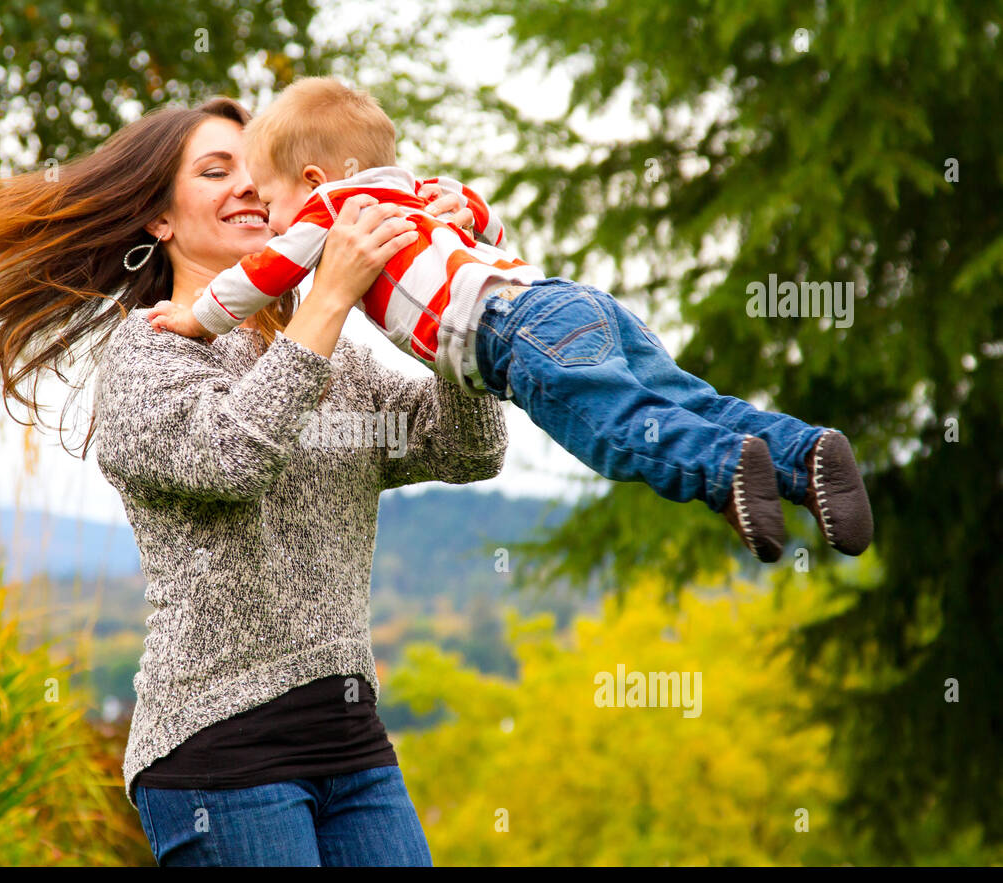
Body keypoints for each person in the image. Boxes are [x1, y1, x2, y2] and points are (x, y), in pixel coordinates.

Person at [0, 95, 506, 866]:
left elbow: (469, 451)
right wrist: (326, 301)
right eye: (216, 171)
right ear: (160, 218)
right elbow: (232, 458)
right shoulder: (147, 354)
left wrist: (456, 298)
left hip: (353, 744)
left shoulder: (332, 359)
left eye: (256, 170)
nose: (249, 188)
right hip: (219, 757)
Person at [148, 77, 874, 563]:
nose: (267, 216)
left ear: (311, 183)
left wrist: (197, 321)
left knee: (612, 426)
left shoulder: (332, 209)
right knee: (684, 396)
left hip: (512, 334)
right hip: (564, 299)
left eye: (266, 198)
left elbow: (264, 275)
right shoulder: (419, 189)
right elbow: (480, 214)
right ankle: (804, 454)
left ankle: (720, 469)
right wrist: (469, 217)